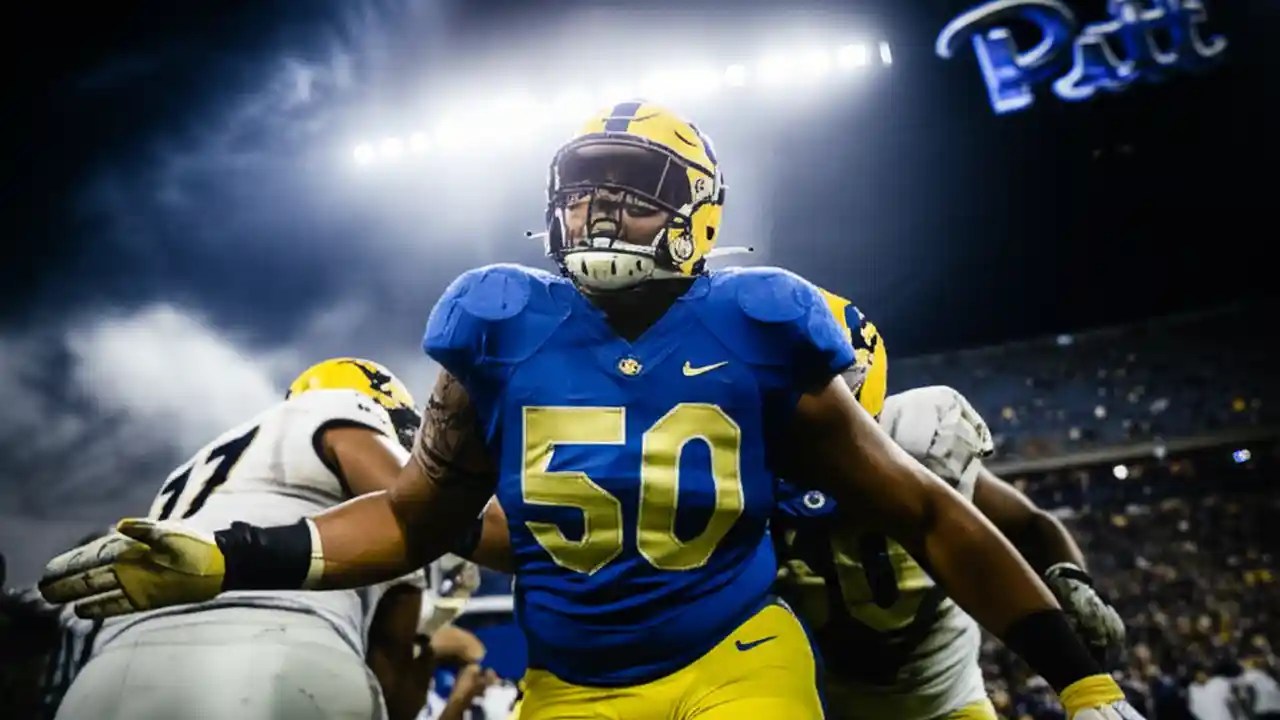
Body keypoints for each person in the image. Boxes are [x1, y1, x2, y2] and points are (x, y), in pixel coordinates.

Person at [41, 101, 1143, 720]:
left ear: (701, 217)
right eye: (584, 184)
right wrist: (233, 556)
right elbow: (419, 516)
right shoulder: (496, 323)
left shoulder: (761, 324)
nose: (601, 203)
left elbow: (927, 513)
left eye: (639, 185)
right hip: (571, 678)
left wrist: (1079, 677)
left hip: (737, 653)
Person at [46, 358, 431, 720]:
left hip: (110, 673)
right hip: (276, 653)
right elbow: (417, 510)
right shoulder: (338, 407)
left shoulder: (188, 474)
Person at [775, 384, 1126, 720]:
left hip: (947, 700)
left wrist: (1074, 582)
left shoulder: (913, 441)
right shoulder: (755, 474)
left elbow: (1028, 524)